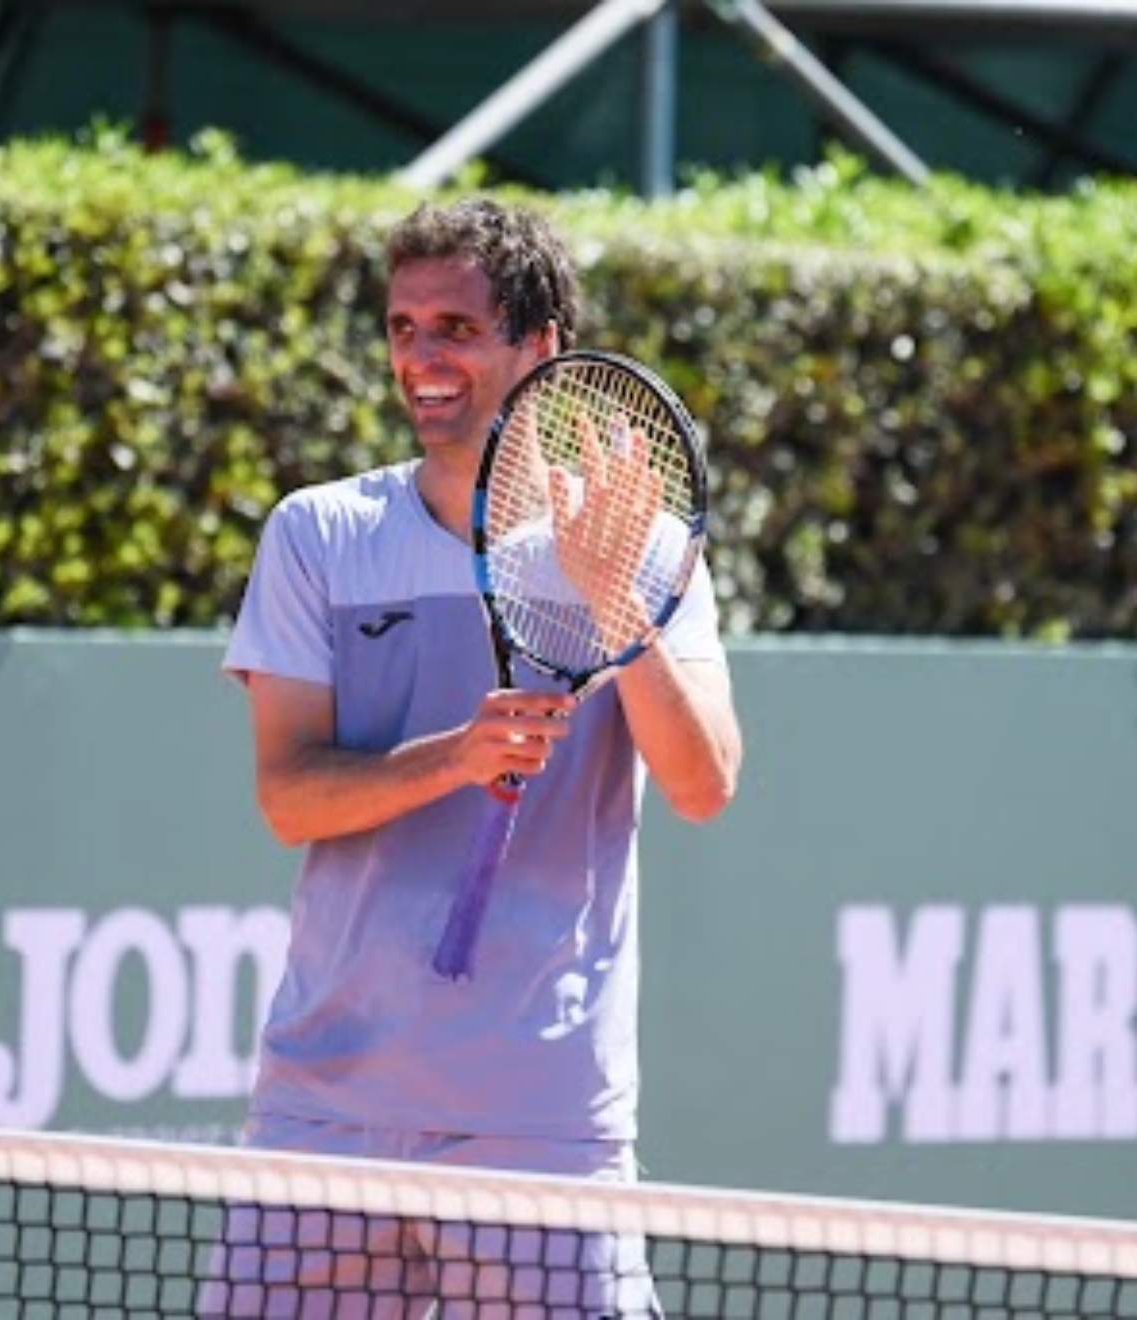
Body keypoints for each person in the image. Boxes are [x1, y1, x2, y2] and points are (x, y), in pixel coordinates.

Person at [206, 196, 744, 1317]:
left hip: (539, 1118)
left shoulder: (646, 552)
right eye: (404, 329)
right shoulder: (317, 536)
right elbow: (289, 798)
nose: (422, 359)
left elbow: (703, 785)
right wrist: (453, 758)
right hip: (325, 1109)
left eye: (455, 329)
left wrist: (614, 603)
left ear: (539, 346)